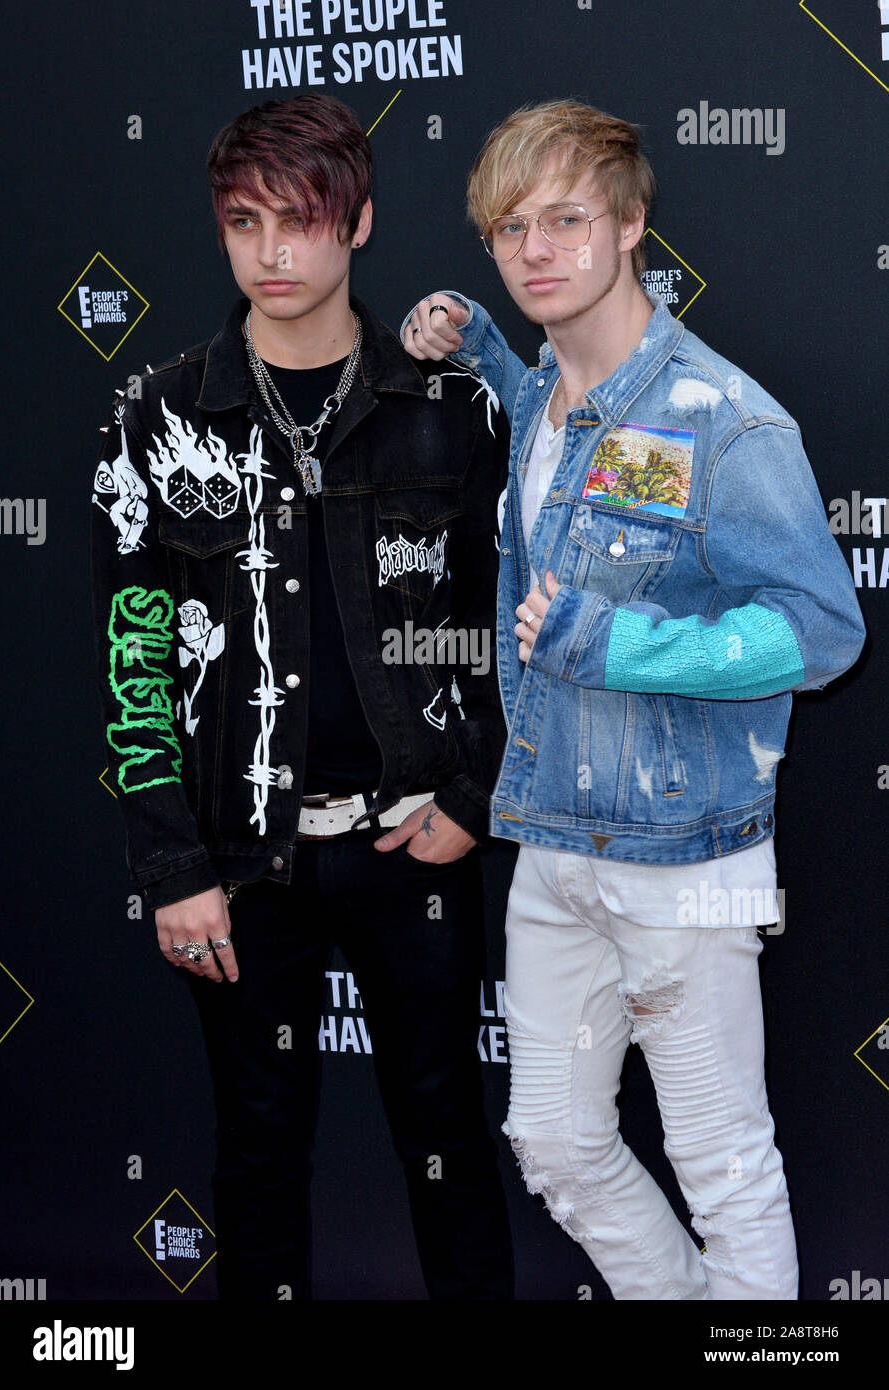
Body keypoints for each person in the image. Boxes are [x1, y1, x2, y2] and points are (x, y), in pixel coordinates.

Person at [402, 98, 865, 1300]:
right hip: (554, 840)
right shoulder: (552, 394)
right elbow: (576, 464)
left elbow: (824, 630)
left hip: (683, 857)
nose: (535, 251)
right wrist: (486, 353)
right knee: (552, 1141)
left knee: (724, 1169)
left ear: (630, 223)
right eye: (510, 229)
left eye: (566, 218)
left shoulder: (723, 419)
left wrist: (623, 647)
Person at [91, 93, 514, 1301]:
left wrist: (474, 794)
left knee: (448, 1148)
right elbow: (132, 661)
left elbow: (509, 631)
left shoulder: (449, 409)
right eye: (243, 221)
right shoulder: (158, 416)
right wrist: (171, 868)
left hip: (415, 841)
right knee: (258, 1157)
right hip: (241, 857)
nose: (272, 253)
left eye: (302, 219)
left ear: (361, 222)